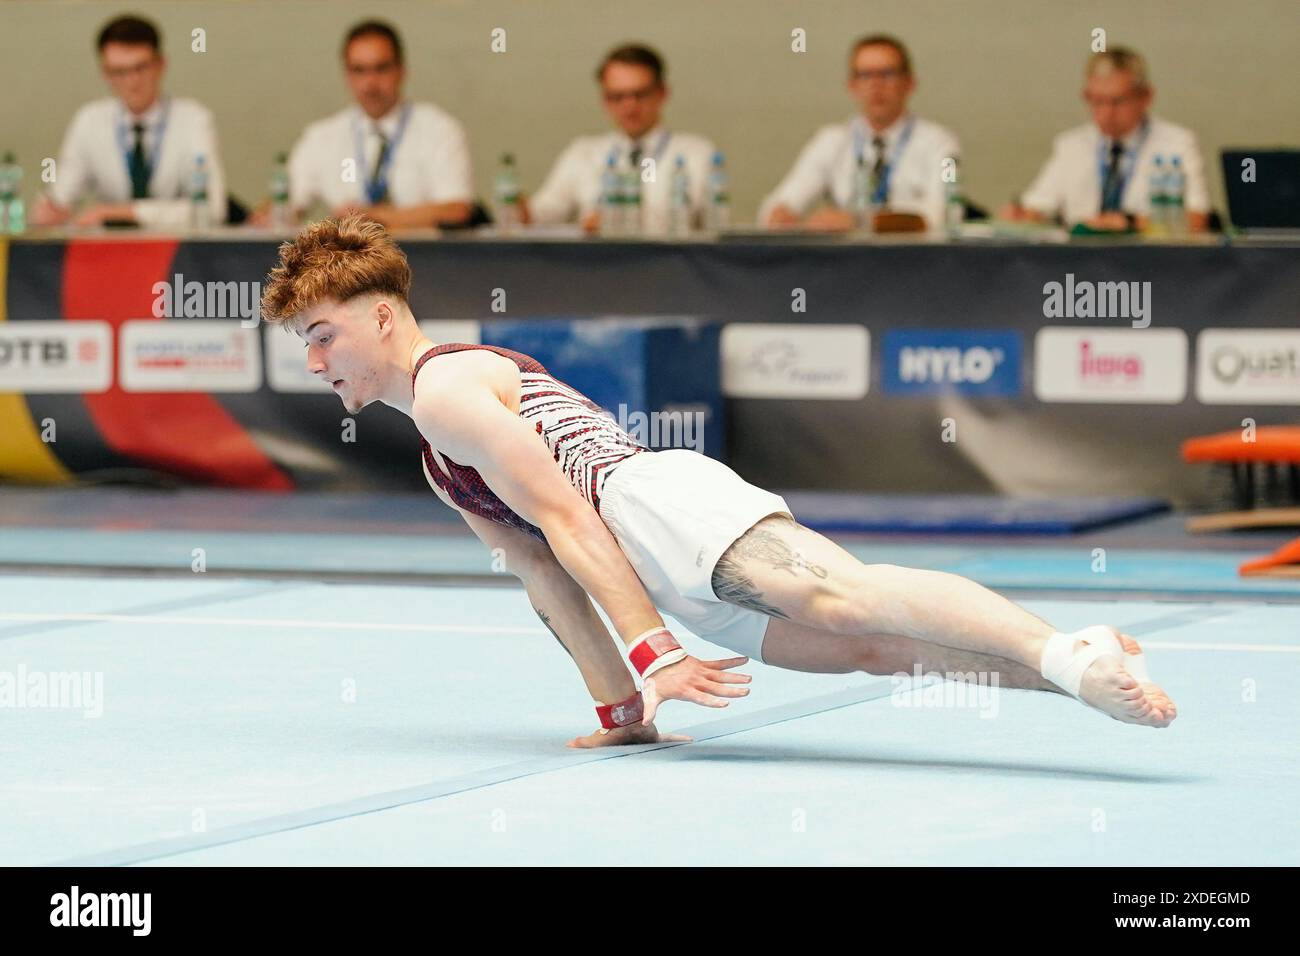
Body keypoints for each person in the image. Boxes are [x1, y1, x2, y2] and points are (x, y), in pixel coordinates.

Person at [260, 216, 1178, 747]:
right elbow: (548, 577)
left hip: (649, 505)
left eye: (323, 336)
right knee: (872, 652)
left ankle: (1063, 656)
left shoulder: (449, 388)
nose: (315, 363)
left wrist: (654, 654)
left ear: (383, 317)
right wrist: (621, 708)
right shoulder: (434, 458)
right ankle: (1080, 661)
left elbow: (568, 515)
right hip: (647, 576)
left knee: (846, 600)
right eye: (305, 345)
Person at [32, 14, 227, 229]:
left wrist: (119, 212)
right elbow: (59, 199)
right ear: (105, 73)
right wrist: (50, 210)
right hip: (110, 253)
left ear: (161, 64)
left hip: (178, 253)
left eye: (141, 68)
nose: (132, 81)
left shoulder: (193, 118)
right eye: (119, 72)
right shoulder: (89, 120)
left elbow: (212, 209)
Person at [275, 20, 473, 229]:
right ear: (347, 76)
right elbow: (285, 205)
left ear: (401, 71)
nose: (370, 83)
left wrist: (377, 217)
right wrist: (269, 213)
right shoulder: (321, 136)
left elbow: (456, 209)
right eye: (359, 70)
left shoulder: (439, 129)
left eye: (381, 69)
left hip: (424, 257)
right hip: (351, 259)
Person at [758, 34, 959, 231]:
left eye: (887, 74)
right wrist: (780, 215)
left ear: (909, 83)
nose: (876, 85)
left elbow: (944, 211)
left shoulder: (942, 144)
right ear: (851, 85)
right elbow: (781, 201)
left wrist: (863, 221)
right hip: (846, 261)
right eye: (865, 75)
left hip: (916, 259)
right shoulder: (830, 141)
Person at [1001, 47, 1210, 232]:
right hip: (1082, 263)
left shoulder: (1178, 142)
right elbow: (1038, 205)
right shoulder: (1070, 145)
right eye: (1096, 101)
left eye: (1117, 102)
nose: (1105, 113)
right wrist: (1022, 215)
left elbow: (1197, 220)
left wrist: (1129, 223)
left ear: (1146, 96)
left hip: (1150, 263)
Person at [525, 44, 718, 234]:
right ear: (604, 99)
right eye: (617, 96)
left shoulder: (696, 152)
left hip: (668, 262)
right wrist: (519, 209)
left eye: (639, 95)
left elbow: (687, 217)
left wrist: (612, 221)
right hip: (600, 262)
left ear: (662, 93)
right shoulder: (583, 152)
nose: (629, 106)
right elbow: (542, 214)